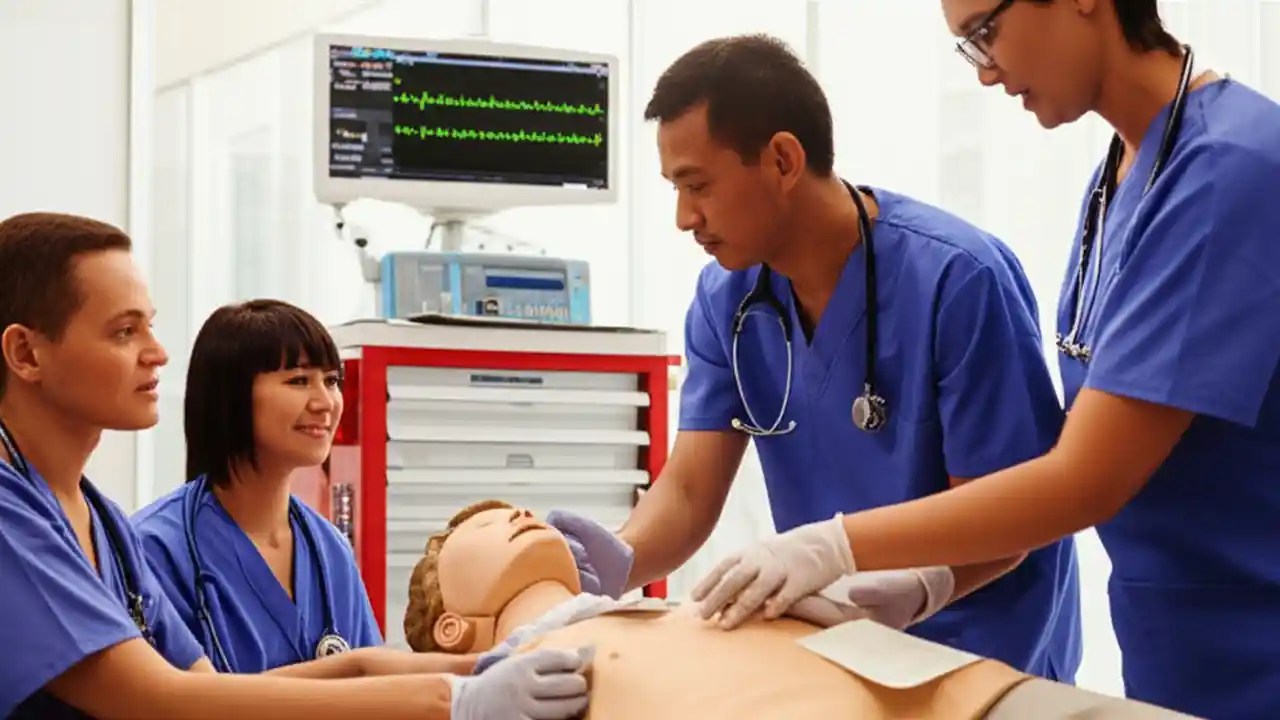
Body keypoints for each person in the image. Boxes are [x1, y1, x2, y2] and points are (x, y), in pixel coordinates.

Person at [689, 4, 1280, 719]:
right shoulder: (1122, 181)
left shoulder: (1228, 172)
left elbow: (1086, 478)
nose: (987, 70)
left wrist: (834, 545)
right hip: (1178, 654)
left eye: (986, 32)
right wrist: (924, 583)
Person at [541, 32, 1082, 682]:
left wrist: (920, 585)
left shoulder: (958, 280)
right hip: (836, 652)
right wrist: (618, 558)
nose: (684, 217)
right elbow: (687, 491)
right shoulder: (728, 298)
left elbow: (1015, 516)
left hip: (985, 662)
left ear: (783, 160)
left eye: (698, 185)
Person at [0, 211, 590, 719]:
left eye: (149, 326)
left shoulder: (98, 520)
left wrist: (483, 661)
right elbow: (160, 701)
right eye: (125, 331)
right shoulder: (16, 515)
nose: (157, 352)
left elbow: (207, 689)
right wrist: (452, 698)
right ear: (26, 353)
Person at [402, 500, 1195, 720]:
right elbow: (342, 680)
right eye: (477, 523)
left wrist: (916, 587)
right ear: (450, 627)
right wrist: (472, 693)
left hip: (958, 696)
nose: (514, 512)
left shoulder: (673, 607)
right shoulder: (499, 685)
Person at [132, 299, 465, 675]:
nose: (325, 402)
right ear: (230, 395)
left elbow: (375, 696)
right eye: (298, 381)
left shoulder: (328, 549)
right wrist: (353, 668)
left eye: (332, 381)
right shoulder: (153, 549)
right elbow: (177, 704)